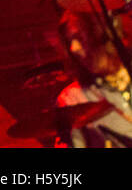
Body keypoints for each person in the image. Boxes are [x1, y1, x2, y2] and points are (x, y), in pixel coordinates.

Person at [54, 9, 132, 147]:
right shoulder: (72, 98)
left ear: (101, 34)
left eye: (79, 37)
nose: (73, 48)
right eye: (69, 42)